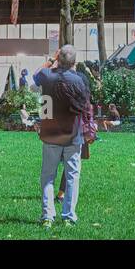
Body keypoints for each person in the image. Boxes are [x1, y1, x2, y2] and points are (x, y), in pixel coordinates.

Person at [33, 46, 92, 226]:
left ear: (59, 58)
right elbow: (85, 105)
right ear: (74, 62)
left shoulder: (47, 76)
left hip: (50, 134)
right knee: (72, 176)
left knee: (48, 176)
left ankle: (47, 217)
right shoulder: (80, 80)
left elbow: (36, 75)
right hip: (73, 135)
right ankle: (68, 217)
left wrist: (51, 59)